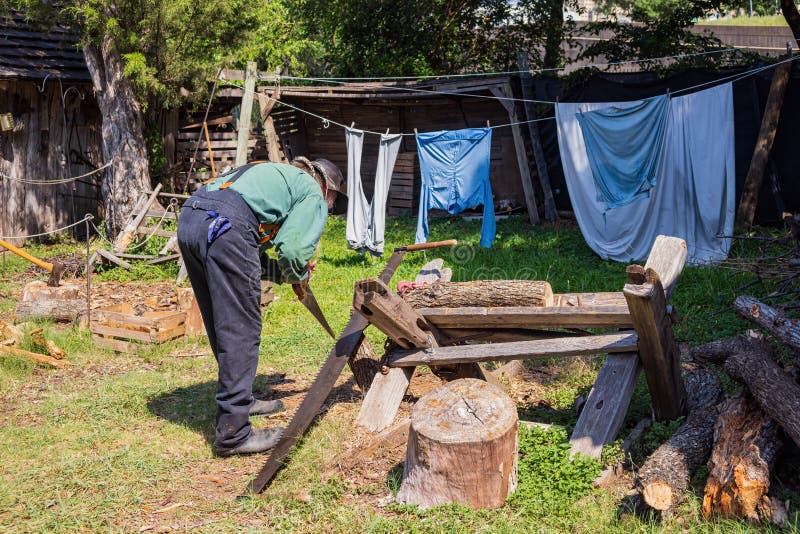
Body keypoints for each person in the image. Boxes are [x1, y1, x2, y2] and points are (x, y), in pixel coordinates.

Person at [177, 158, 345, 457]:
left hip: (193, 220)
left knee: (222, 321)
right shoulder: (310, 190)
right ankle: (234, 435)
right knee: (240, 328)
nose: (329, 209)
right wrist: (299, 274)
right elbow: (292, 250)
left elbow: (246, 255)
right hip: (226, 226)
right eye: (332, 203)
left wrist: (284, 273)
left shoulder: (273, 174)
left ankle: (242, 399)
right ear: (328, 189)